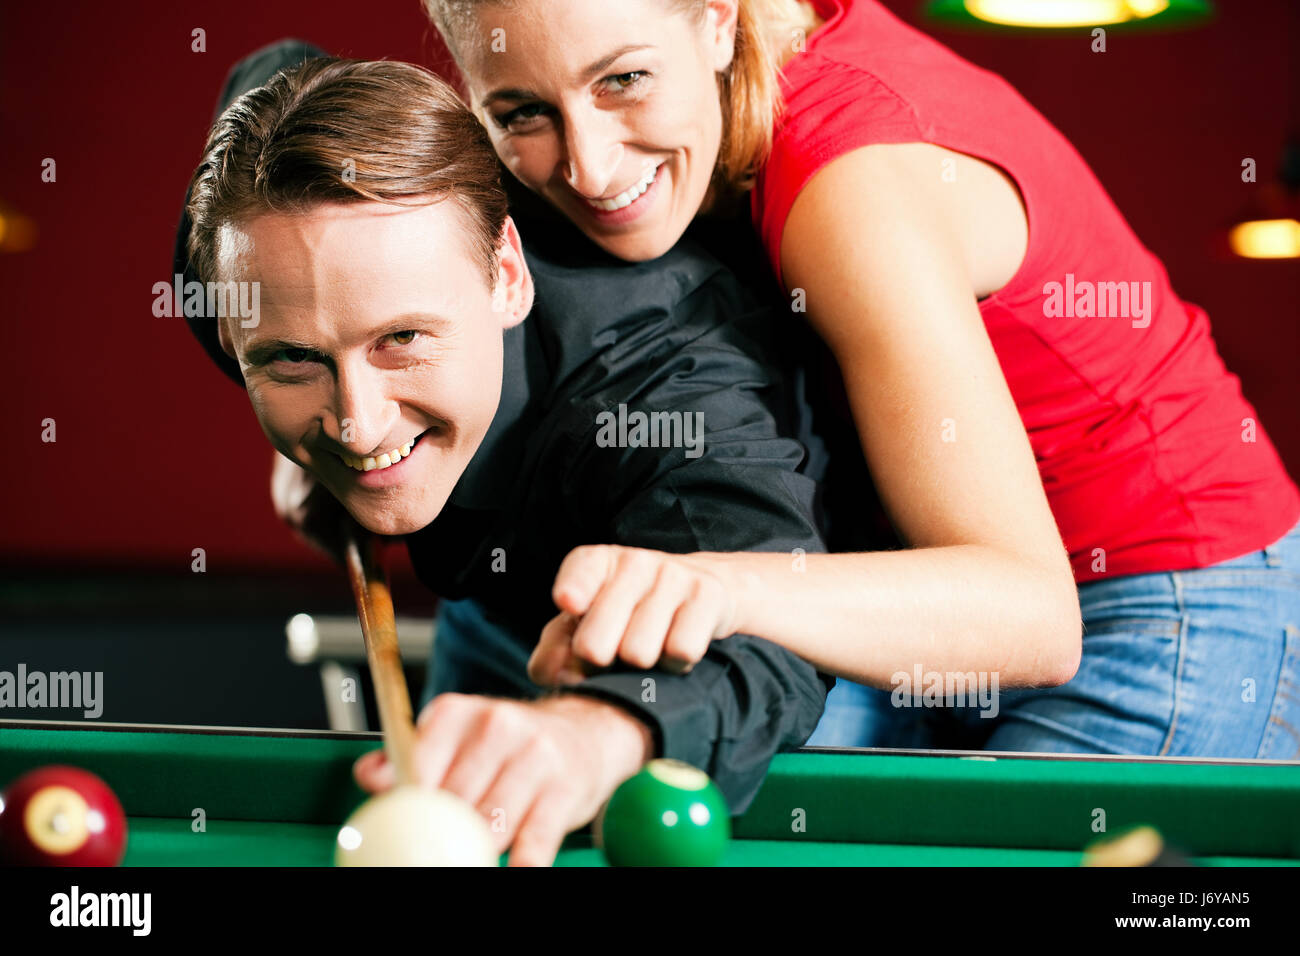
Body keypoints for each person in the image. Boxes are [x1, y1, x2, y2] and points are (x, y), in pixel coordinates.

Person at [419, 0, 1300, 758]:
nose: (591, 168)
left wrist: (722, 583)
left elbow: (1032, 618)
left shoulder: (849, 184)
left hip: (1170, 606)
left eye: (623, 82)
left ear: (719, 20)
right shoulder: (759, 51)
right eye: (523, 113)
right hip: (926, 601)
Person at [176, 51, 835, 865]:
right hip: (488, 605)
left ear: (507, 277)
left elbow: (780, 620)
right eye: (293, 358)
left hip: (707, 664)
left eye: (403, 338)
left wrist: (601, 732)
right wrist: (306, 440)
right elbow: (274, 70)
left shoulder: (657, 391)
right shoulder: (231, 253)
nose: (355, 424)